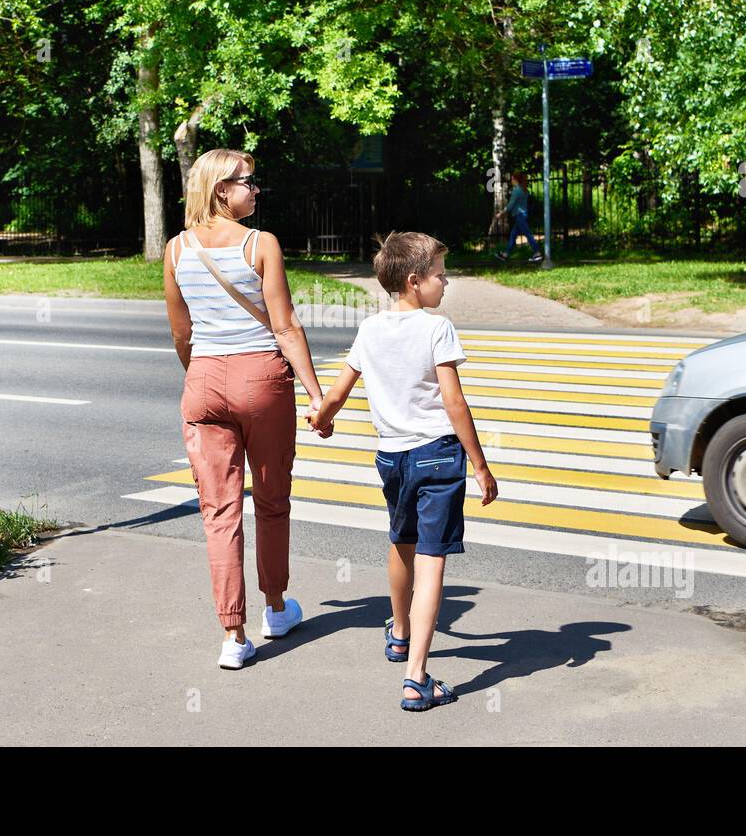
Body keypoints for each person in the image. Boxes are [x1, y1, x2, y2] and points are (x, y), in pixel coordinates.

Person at [310, 231, 499, 710]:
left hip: (391, 458)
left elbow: (338, 392)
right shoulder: (437, 329)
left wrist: (322, 419)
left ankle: (399, 633)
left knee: (401, 540)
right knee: (433, 558)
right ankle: (416, 677)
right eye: (439, 274)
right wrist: (480, 464)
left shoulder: (370, 330)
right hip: (437, 454)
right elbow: (454, 403)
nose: (446, 282)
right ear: (415, 282)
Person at [163, 148, 330, 670]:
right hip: (262, 379)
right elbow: (285, 327)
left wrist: (204, 373)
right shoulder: (262, 244)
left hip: (204, 382)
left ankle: (232, 637)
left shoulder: (175, 249)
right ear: (221, 191)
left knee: (219, 511)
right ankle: (275, 608)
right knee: (272, 499)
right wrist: (317, 397)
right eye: (249, 183)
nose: (257, 191)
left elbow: (181, 333)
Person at [495, 172, 543, 263]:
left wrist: (501, 213)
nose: (511, 181)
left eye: (512, 179)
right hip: (521, 215)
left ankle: (537, 253)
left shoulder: (516, 190)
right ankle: (505, 255)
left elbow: (510, 205)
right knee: (513, 236)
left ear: (515, 180)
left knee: (528, 234)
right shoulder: (523, 189)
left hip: (520, 215)